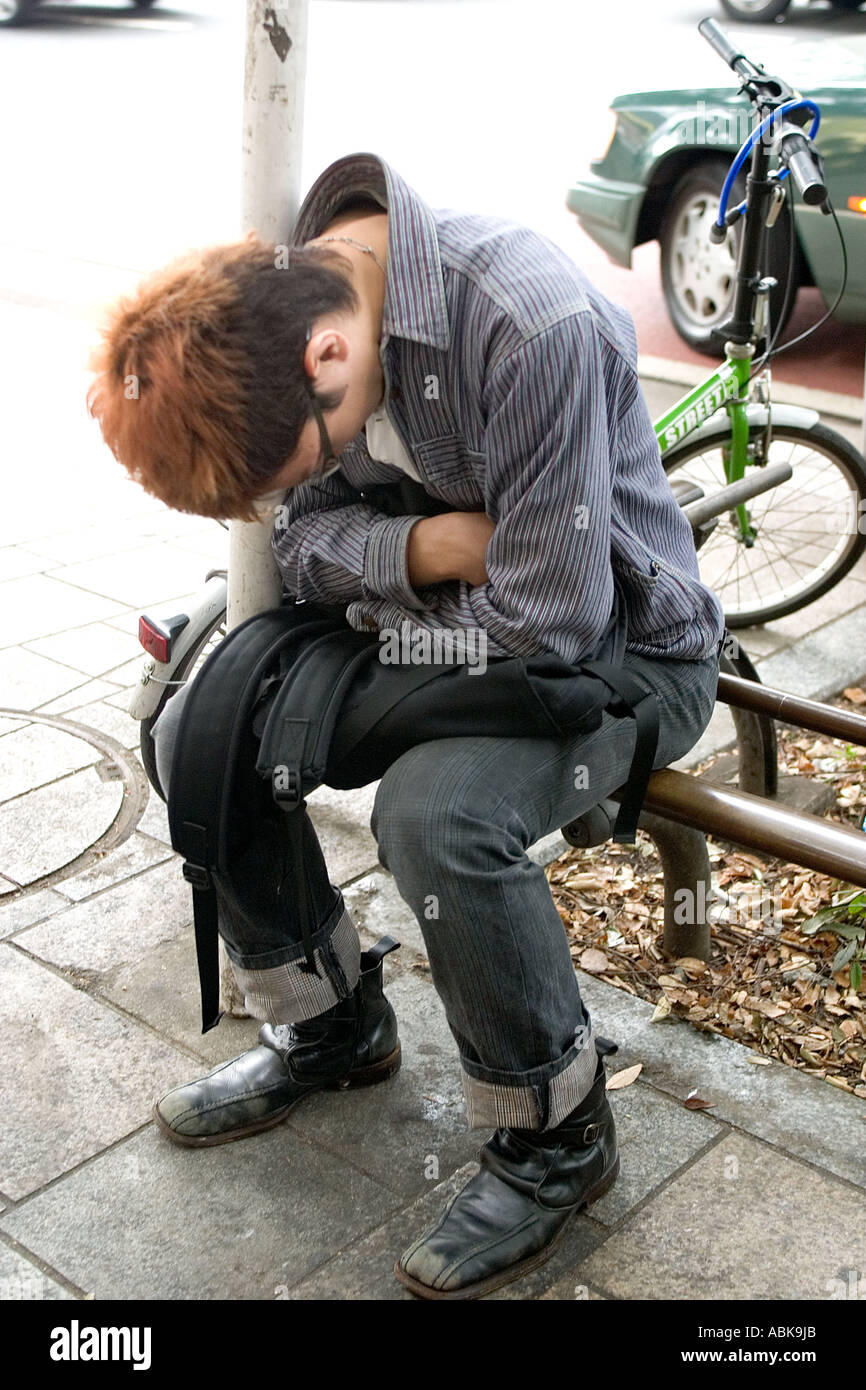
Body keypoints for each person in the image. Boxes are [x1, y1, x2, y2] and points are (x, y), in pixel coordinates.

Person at [87, 152, 725, 1300]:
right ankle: (330, 1025)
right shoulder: (284, 306)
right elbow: (297, 549)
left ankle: (556, 1134)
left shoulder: (528, 324)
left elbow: (545, 619)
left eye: (302, 465)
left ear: (329, 359)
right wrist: (423, 549)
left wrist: (368, 610)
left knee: (437, 815)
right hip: (450, 638)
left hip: (622, 654)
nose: (298, 488)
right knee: (203, 730)